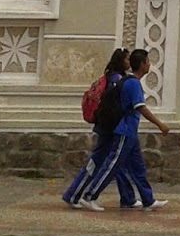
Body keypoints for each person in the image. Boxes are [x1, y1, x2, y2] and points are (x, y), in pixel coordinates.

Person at [75, 47, 171, 213]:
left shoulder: (130, 82)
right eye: (147, 62)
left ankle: (148, 199)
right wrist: (160, 124)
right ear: (142, 64)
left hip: (130, 133)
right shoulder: (133, 84)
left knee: (138, 167)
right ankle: (90, 196)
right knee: (112, 165)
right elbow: (140, 108)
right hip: (124, 131)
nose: (149, 65)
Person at [62, 48, 138, 209]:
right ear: (121, 61)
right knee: (97, 161)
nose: (129, 62)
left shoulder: (111, 77)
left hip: (107, 126)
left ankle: (128, 197)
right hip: (110, 127)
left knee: (117, 163)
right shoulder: (117, 80)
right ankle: (73, 194)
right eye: (127, 59)